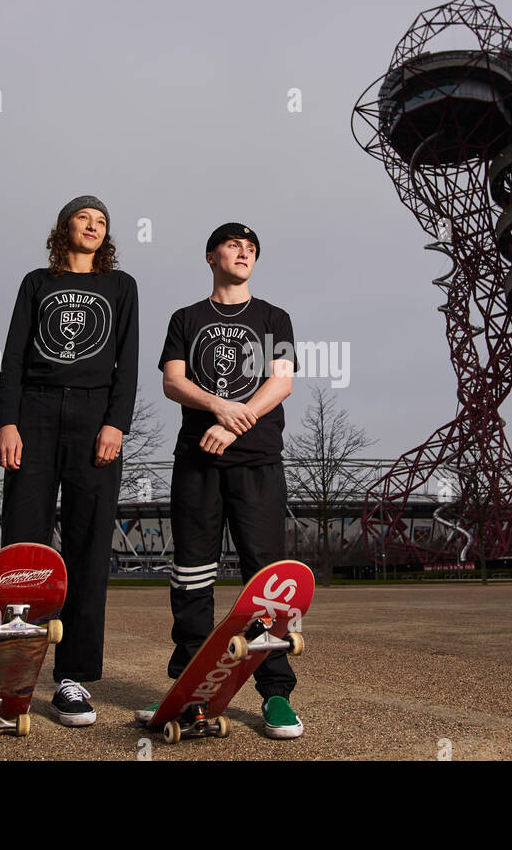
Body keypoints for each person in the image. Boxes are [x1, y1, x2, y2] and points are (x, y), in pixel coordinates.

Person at [138, 222, 303, 739]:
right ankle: (192, 690)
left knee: (268, 582)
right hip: (196, 461)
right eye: (234, 245)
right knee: (192, 575)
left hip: (256, 461)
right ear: (210, 256)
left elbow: (282, 382)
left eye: (251, 248)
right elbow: (172, 381)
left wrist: (234, 426)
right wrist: (218, 408)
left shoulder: (274, 317)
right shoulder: (186, 318)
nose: (244, 252)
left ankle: (276, 694)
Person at [0, 195, 138, 726]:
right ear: (65, 228)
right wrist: (7, 422)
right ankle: (11, 666)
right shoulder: (36, 282)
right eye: (85, 219)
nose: (94, 227)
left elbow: (129, 360)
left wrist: (115, 424)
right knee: (24, 541)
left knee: (89, 543)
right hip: (33, 413)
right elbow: (12, 355)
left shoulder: (122, 287)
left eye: (102, 222)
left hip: (94, 417)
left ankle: (73, 678)